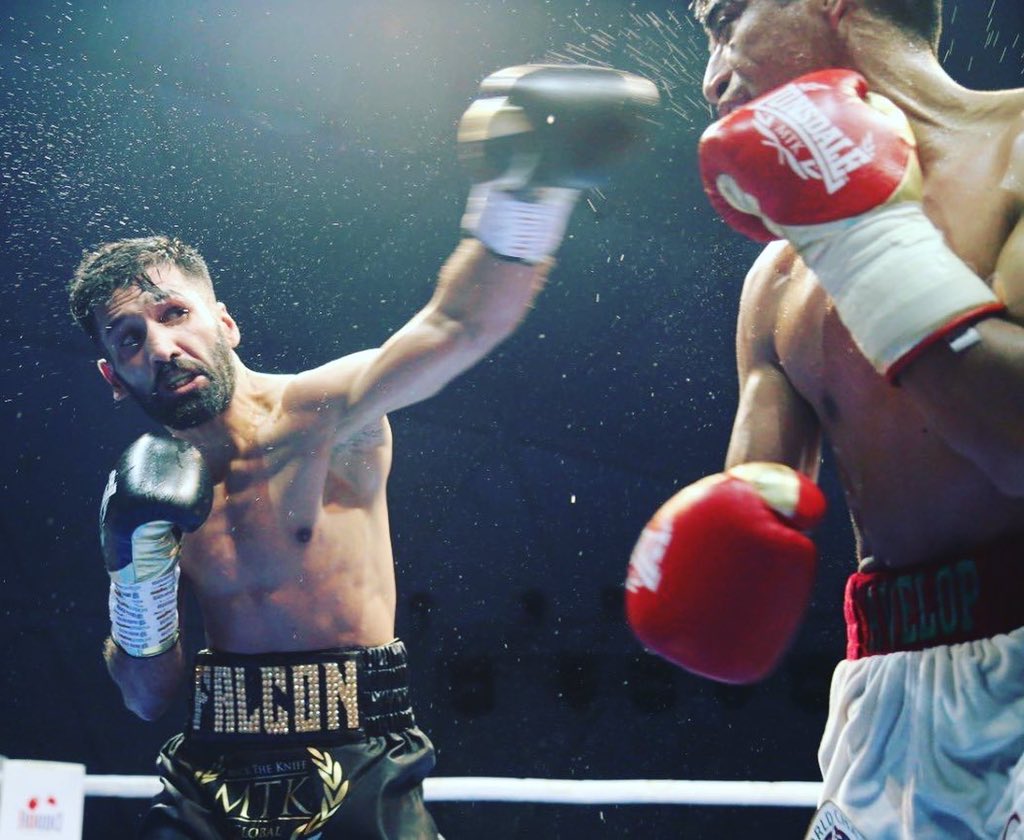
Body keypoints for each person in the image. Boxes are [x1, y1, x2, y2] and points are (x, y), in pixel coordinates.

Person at [69, 64, 657, 839]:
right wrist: (135, 576)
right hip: (212, 769)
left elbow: (457, 326)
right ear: (114, 378)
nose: (161, 346)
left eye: (174, 313)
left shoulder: (322, 414)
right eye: (130, 339)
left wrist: (528, 195)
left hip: (359, 752)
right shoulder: (145, 493)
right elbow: (147, 697)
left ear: (225, 322)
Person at [624, 1, 1024, 837]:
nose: (711, 77)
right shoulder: (777, 280)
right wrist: (705, 569)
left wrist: (863, 237)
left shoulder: (1016, 146)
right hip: (886, 699)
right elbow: (749, 523)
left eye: (726, 19)